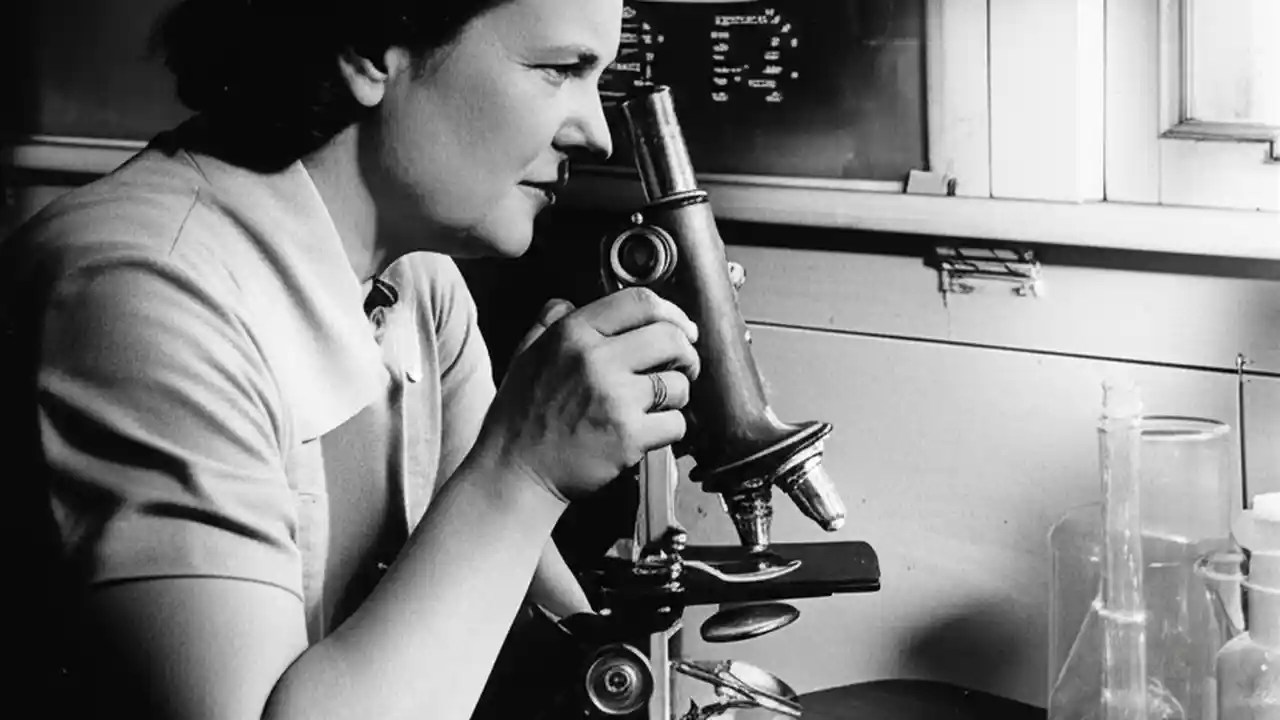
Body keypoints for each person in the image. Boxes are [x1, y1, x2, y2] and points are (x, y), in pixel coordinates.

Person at [0, 0, 701, 718]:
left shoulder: (421, 284)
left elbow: (527, 618)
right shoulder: (140, 293)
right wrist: (524, 468)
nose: (599, 134)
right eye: (560, 69)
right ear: (371, 50)